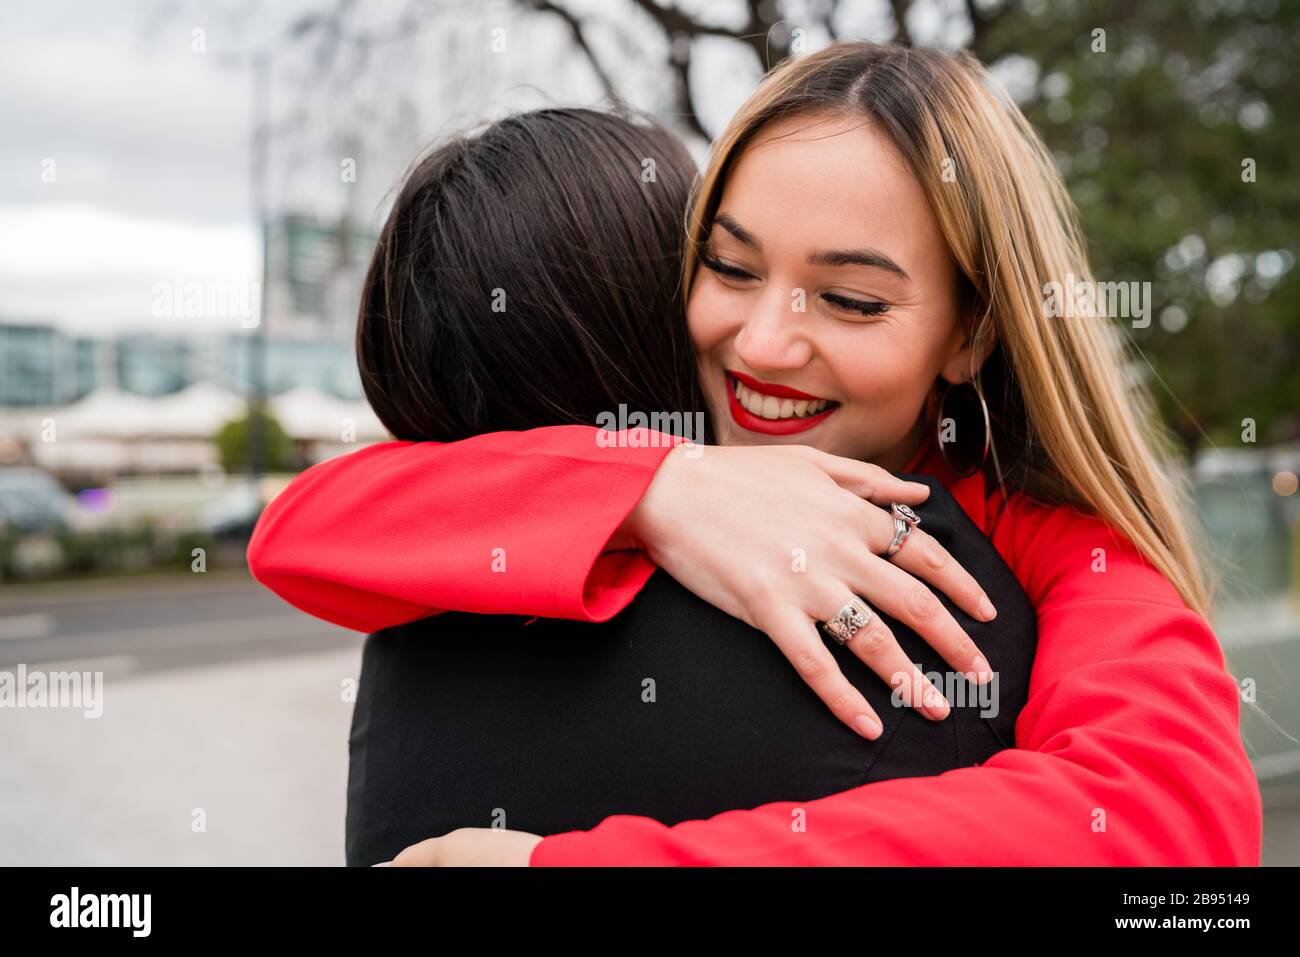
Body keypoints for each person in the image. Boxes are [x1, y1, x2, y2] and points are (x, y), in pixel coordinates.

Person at [251, 42, 1261, 866]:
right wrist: (660, 487)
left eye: (851, 300)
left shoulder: (1051, 541)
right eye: (730, 267)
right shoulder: (659, 457)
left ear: (970, 332)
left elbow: (1162, 830)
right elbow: (300, 531)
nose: (764, 344)